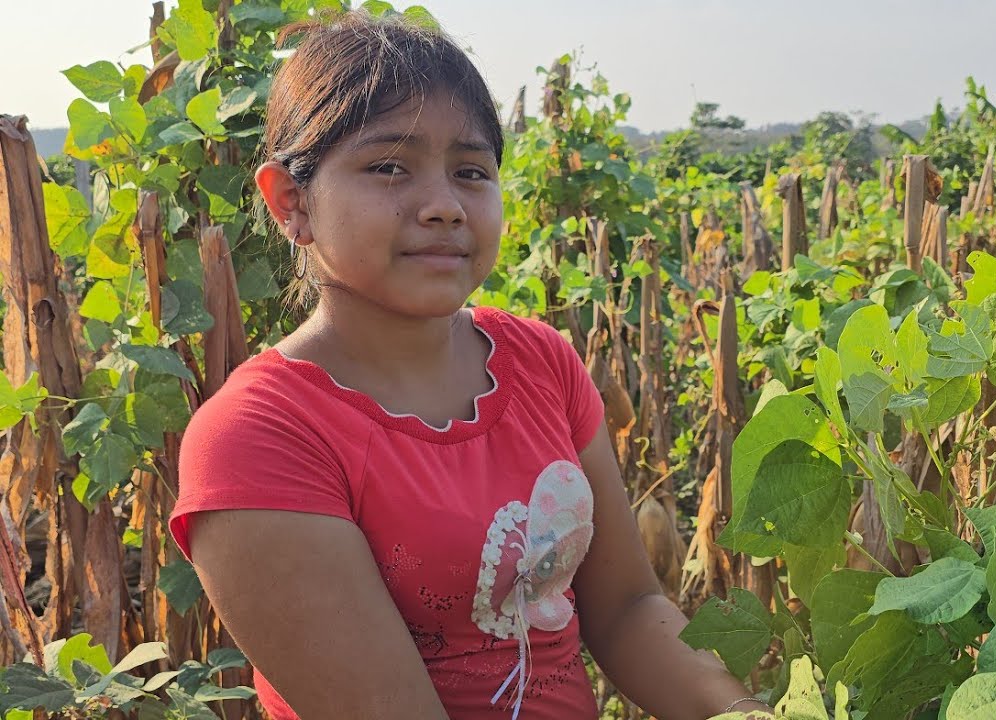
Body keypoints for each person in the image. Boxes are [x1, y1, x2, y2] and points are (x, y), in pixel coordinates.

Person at [168, 10, 771, 720]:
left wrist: (745, 713)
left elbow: (629, 610)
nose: (444, 206)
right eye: (389, 166)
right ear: (291, 203)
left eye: (471, 171)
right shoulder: (257, 438)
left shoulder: (540, 361)